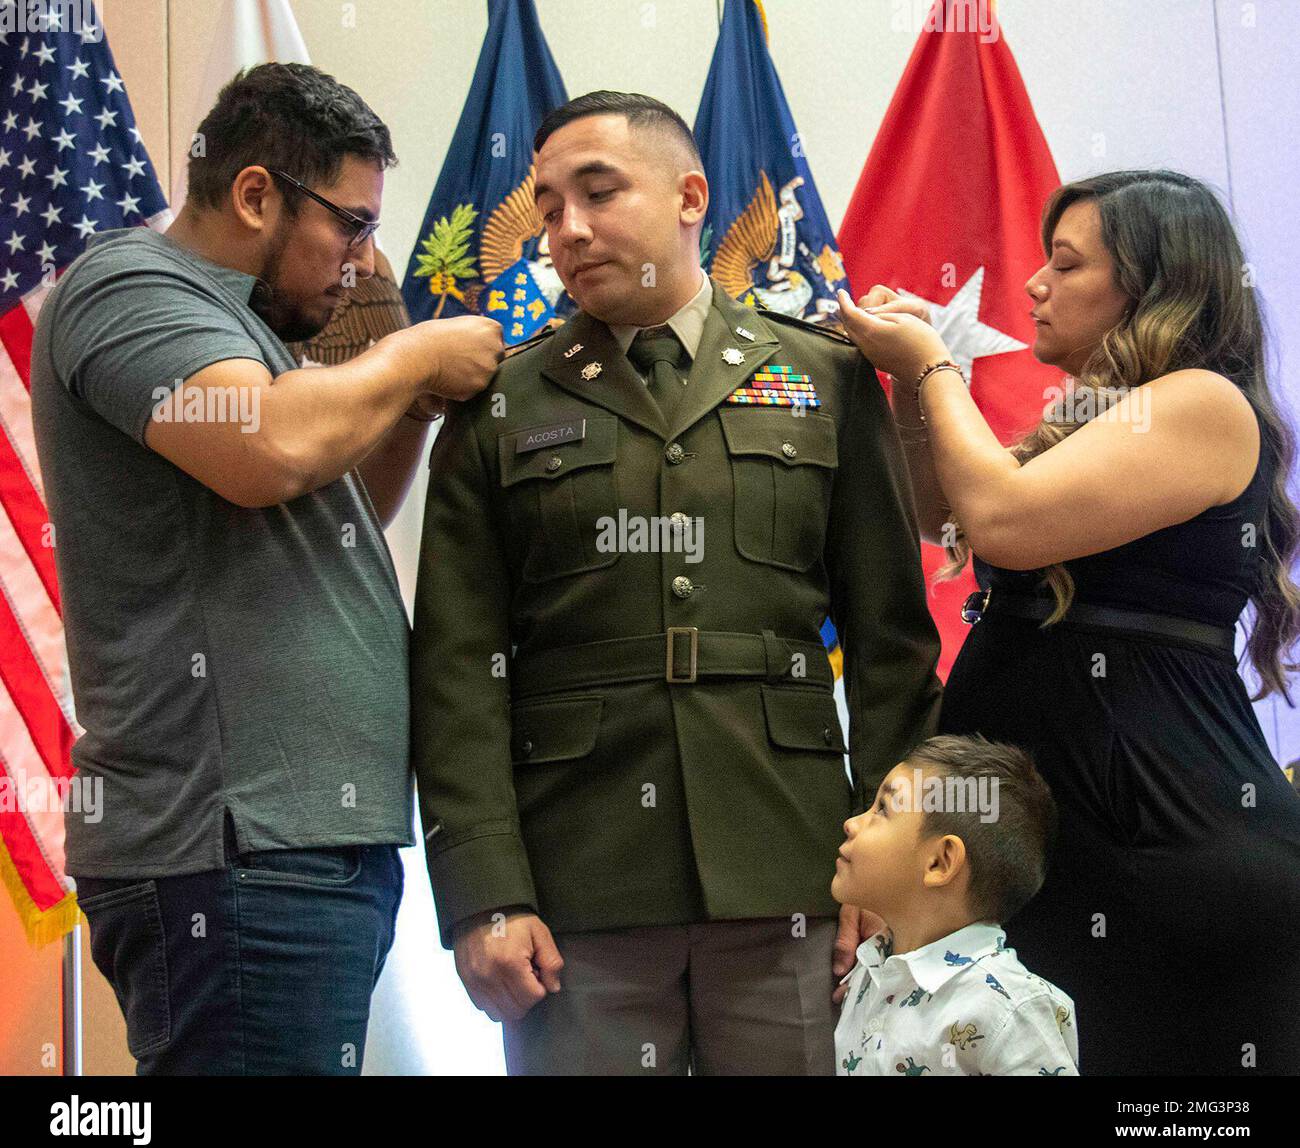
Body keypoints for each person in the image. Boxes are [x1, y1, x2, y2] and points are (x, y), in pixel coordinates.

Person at [410, 90, 942, 1075]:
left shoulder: (820, 376)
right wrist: (485, 892)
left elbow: (891, 648)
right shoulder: (497, 405)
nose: (566, 229)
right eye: (548, 207)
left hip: (790, 869)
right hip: (576, 887)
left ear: (692, 195)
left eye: (598, 193)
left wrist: (894, 858)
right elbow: (454, 673)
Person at [29, 63, 502, 1075]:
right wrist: (413, 358)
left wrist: (405, 410)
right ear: (254, 194)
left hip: (291, 851)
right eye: (350, 224)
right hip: (228, 851)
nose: (361, 262)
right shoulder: (128, 284)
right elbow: (267, 447)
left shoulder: (247, 335)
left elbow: (328, 510)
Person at [836, 170, 1300, 1075]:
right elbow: (958, 521)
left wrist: (933, 363)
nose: (1034, 286)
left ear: (1153, 288)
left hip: (1162, 846)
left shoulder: (1204, 401)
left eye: (1066, 264)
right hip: (1081, 841)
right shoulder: (1097, 417)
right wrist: (919, 385)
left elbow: (1003, 516)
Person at [832, 734, 1078, 1077]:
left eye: (882, 810)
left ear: (940, 862)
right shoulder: (870, 971)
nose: (852, 823)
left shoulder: (1012, 1010)